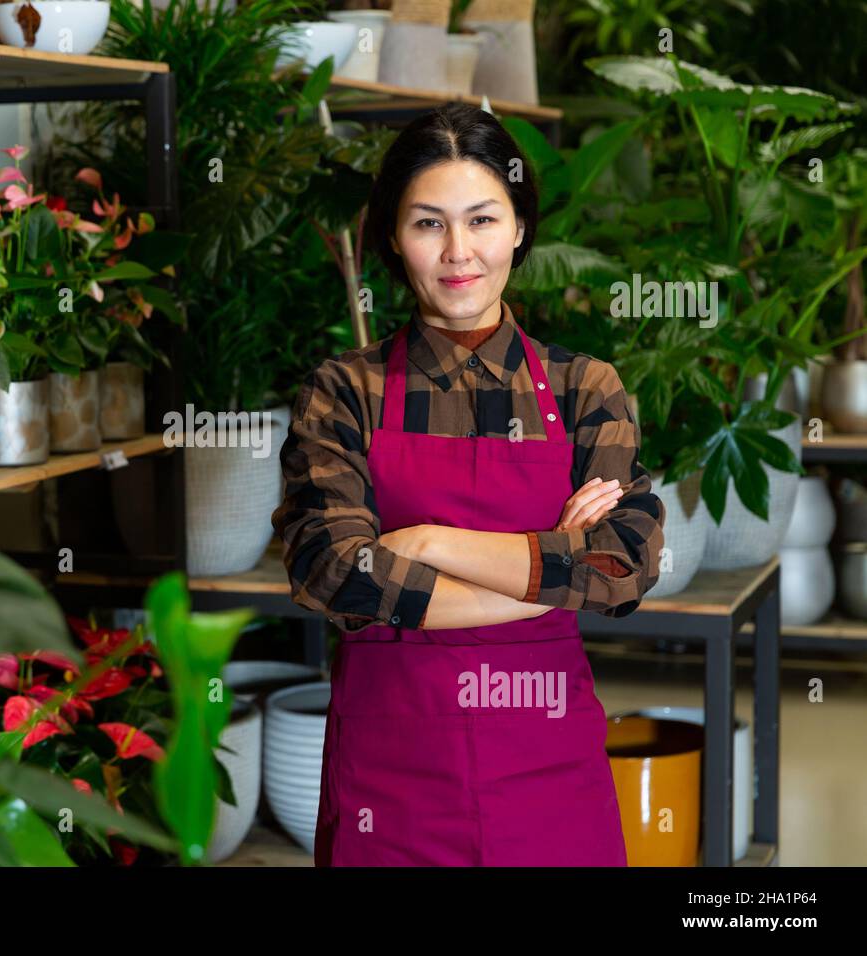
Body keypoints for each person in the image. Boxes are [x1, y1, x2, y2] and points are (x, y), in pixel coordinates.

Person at [271, 103, 666, 866]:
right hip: (391, 782)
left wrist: (425, 543)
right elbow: (332, 568)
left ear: (519, 226)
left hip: (550, 771)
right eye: (428, 224)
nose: (459, 253)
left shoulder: (584, 388)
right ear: (393, 236)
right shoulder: (345, 391)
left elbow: (623, 567)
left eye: (482, 220)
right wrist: (550, 567)